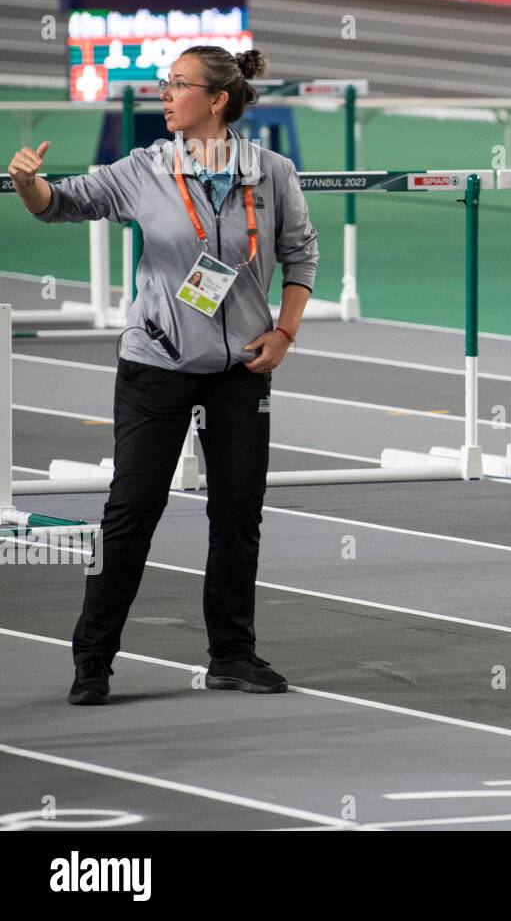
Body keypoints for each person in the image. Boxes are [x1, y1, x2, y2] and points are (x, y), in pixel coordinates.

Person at [6, 47, 320, 706]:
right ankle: (93, 661)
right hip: (156, 364)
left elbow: (300, 257)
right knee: (131, 512)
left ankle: (232, 654)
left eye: (178, 85)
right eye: (164, 84)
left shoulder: (272, 173)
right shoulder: (146, 169)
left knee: (237, 513)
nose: (165, 95)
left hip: (240, 371)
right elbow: (63, 204)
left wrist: (285, 332)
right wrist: (28, 182)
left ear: (217, 101)